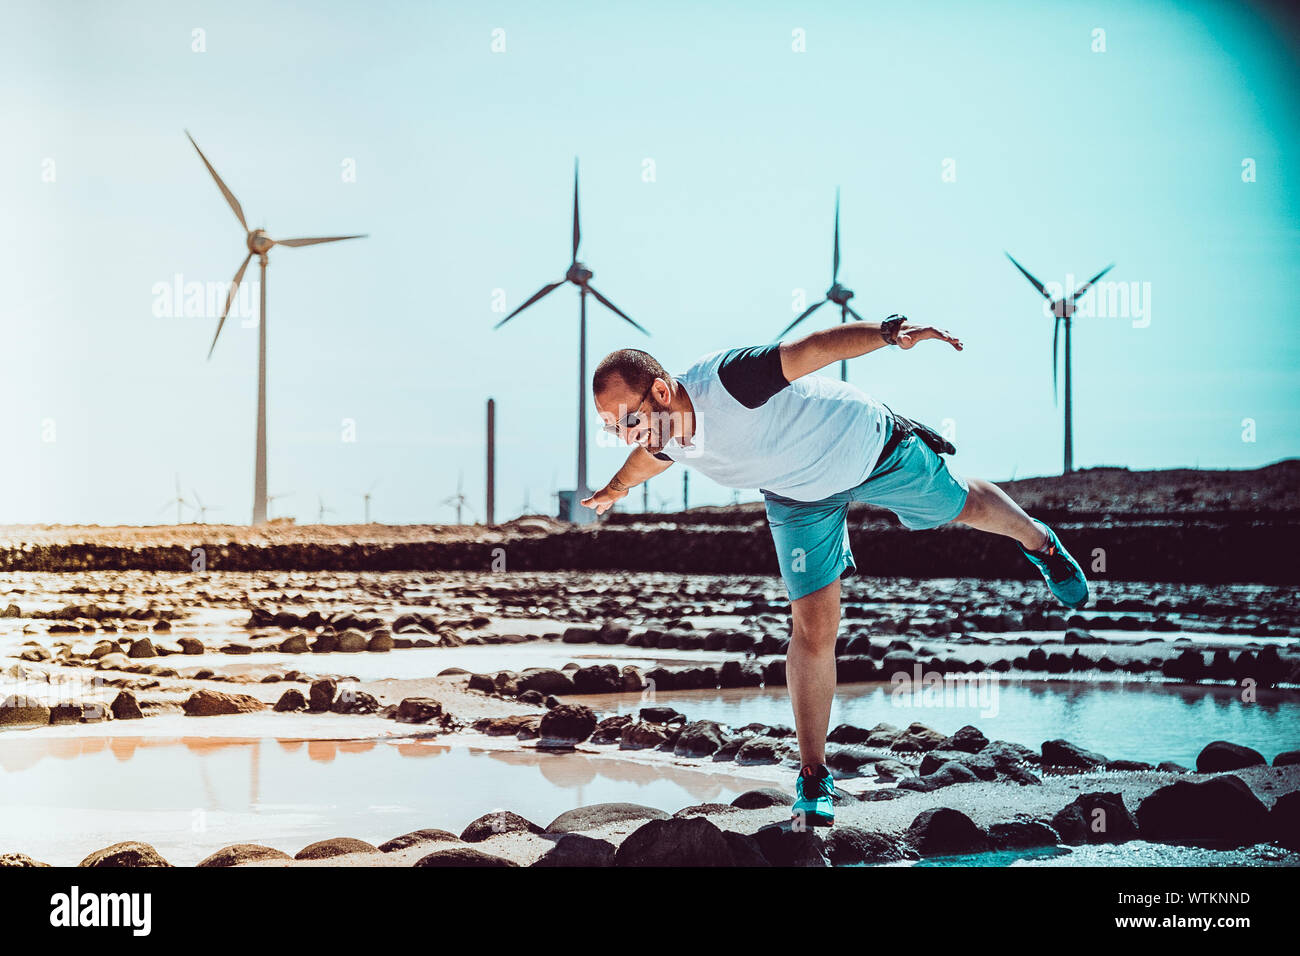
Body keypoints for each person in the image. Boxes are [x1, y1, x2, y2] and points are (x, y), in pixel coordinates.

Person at [581, 315, 1089, 827]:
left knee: (962, 505)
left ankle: (1041, 543)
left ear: (663, 392)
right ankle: (814, 774)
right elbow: (653, 459)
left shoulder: (733, 380)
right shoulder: (660, 432)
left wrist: (889, 332)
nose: (622, 436)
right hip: (798, 498)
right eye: (610, 428)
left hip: (870, 449)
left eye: (625, 422)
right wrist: (618, 487)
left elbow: (814, 348)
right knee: (814, 627)